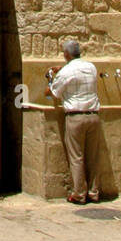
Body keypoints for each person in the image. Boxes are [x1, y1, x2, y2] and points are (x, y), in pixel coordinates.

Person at [46, 39, 101, 204]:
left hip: (76, 116)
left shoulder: (66, 72)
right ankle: (94, 192)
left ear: (66, 54)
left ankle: (79, 193)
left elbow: (53, 92)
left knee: (76, 156)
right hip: (93, 115)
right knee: (93, 156)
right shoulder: (91, 67)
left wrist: (49, 82)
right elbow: (78, 73)